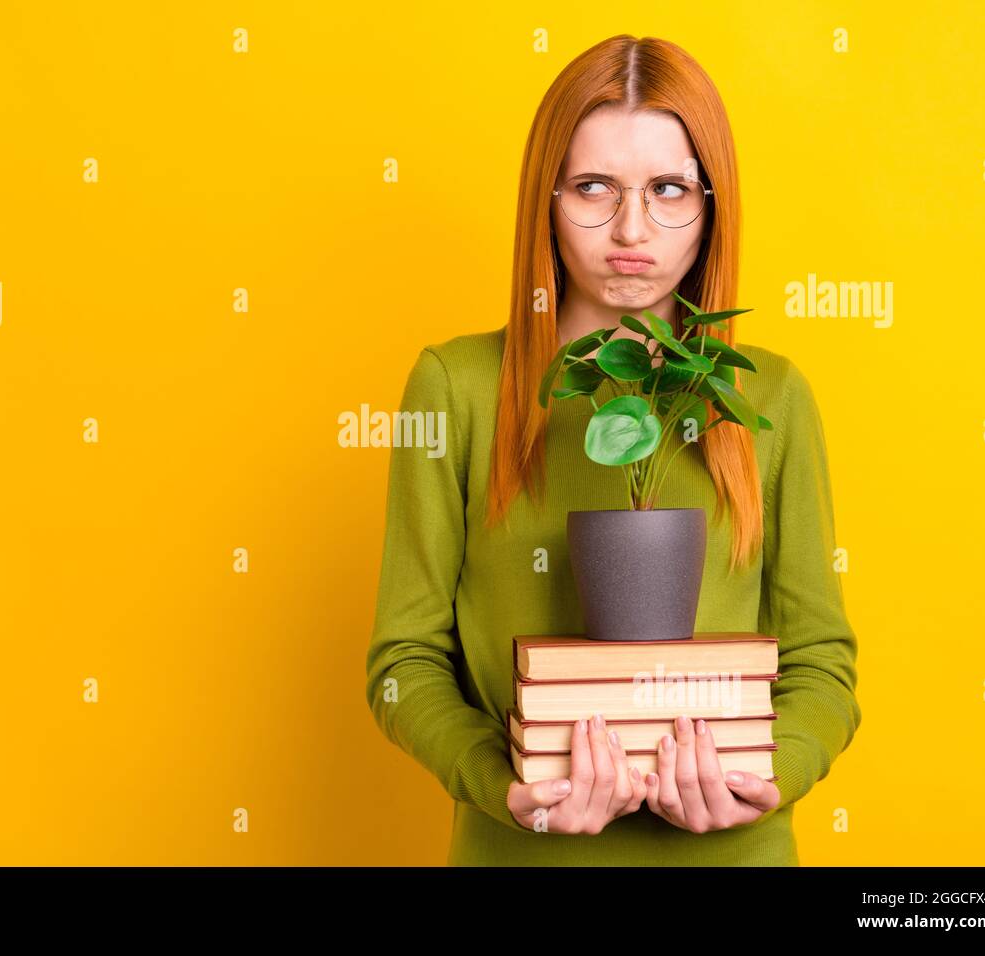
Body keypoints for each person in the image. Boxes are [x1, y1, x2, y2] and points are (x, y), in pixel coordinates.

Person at [364, 34, 861, 865]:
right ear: (545, 199)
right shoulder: (457, 387)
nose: (632, 228)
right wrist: (503, 784)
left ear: (712, 205)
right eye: (594, 187)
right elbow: (403, 660)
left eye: (669, 189)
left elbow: (823, 663)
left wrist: (771, 772)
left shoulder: (768, 396)